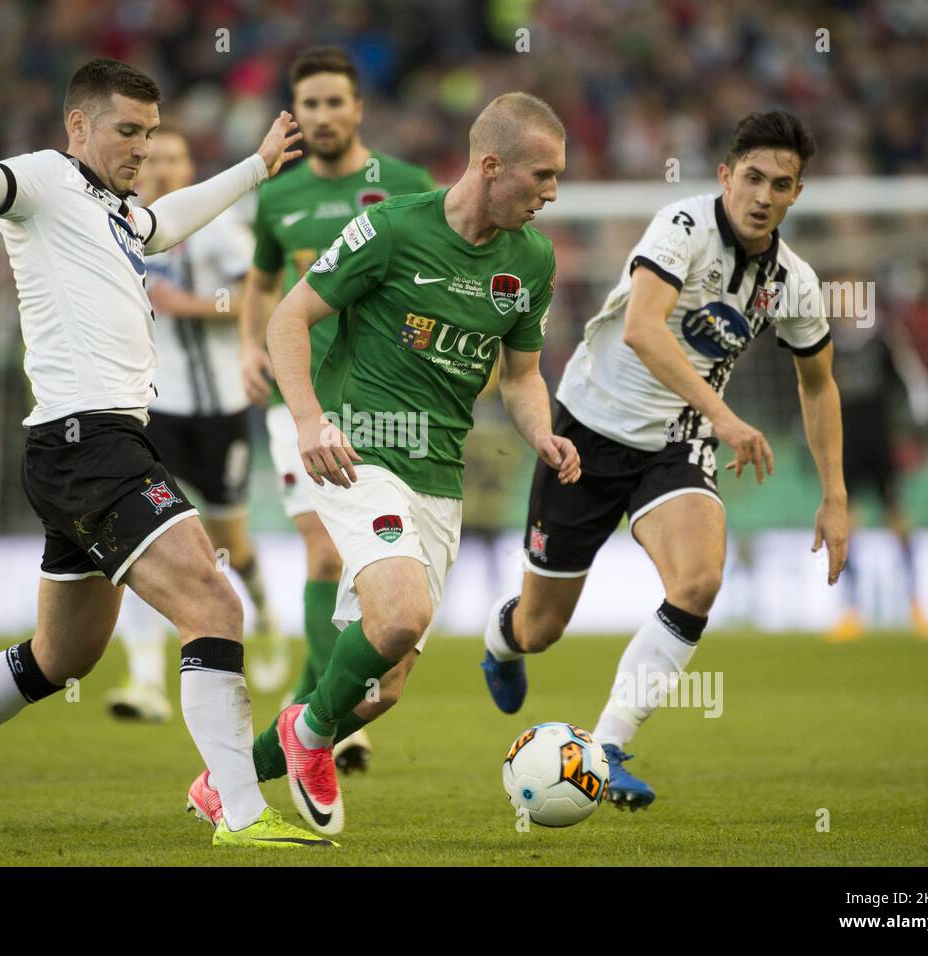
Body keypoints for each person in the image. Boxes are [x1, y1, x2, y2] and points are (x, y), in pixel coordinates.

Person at [0, 20, 333, 849]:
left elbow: (167, 223)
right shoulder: (42, 180)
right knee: (215, 603)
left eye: (149, 133)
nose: (142, 149)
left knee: (60, 657)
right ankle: (242, 814)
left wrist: (256, 166)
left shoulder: (115, 212)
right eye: (127, 131)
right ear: (78, 125)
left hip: (85, 444)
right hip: (88, 444)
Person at [187, 92, 578, 836]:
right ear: (490, 166)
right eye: (542, 175)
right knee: (400, 616)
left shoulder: (532, 259)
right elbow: (286, 316)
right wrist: (307, 419)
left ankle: (230, 779)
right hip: (355, 455)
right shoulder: (392, 228)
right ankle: (309, 741)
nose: (552, 193)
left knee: (383, 687)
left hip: (438, 479)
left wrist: (544, 434)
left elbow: (522, 376)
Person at [479, 111, 848, 811]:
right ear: (724, 177)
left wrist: (834, 495)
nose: (763, 195)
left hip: (676, 446)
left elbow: (818, 382)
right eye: (752, 177)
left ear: (797, 194)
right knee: (541, 627)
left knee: (700, 580)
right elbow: (646, 331)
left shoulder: (794, 281)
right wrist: (727, 416)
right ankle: (502, 641)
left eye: (782, 184)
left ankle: (607, 745)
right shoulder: (683, 226)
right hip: (585, 437)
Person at [240, 46, 437, 774]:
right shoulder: (276, 198)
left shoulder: (407, 186)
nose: (322, 117)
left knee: (365, 567)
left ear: (357, 108)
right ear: (294, 115)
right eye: (308, 105)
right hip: (302, 399)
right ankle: (324, 715)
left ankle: (312, 708)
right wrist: (247, 349)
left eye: (334, 102)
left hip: (377, 399)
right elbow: (259, 287)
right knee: (324, 550)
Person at [104, 129, 280, 723]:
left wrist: (202, 305)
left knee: (233, 539)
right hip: (153, 412)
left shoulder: (215, 225)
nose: (162, 168)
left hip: (220, 410)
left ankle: (266, 614)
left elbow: (257, 295)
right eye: (154, 158)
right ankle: (146, 680)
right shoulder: (116, 226)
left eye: (176, 158)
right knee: (146, 541)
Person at [825, 293, 928, 641]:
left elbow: (914, 382)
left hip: (880, 444)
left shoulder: (883, 340)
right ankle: (851, 609)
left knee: (898, 520)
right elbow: (813, 393)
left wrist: (921, 422)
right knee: (847, 525)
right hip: (845, 447)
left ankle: (915, 602)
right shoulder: (828, 345)